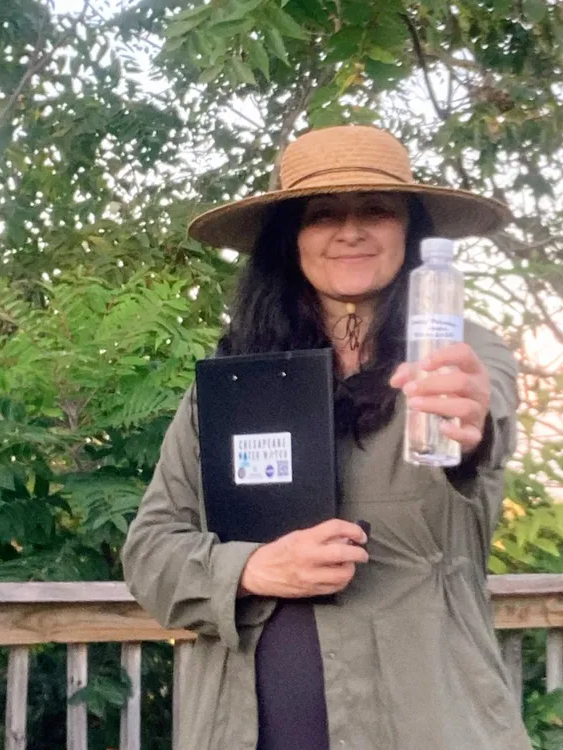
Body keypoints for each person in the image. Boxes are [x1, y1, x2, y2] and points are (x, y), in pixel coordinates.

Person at [121, 125, 532, 750]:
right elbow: (151, 548)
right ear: (291, 241)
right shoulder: (235, 376)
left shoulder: (460, 349)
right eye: (322, 215)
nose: (350, 230)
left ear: (409, 231)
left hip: (425, 717)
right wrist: (253, 567)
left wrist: (472, 429)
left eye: (376, 210)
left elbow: (484, 427)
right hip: (244, 721)